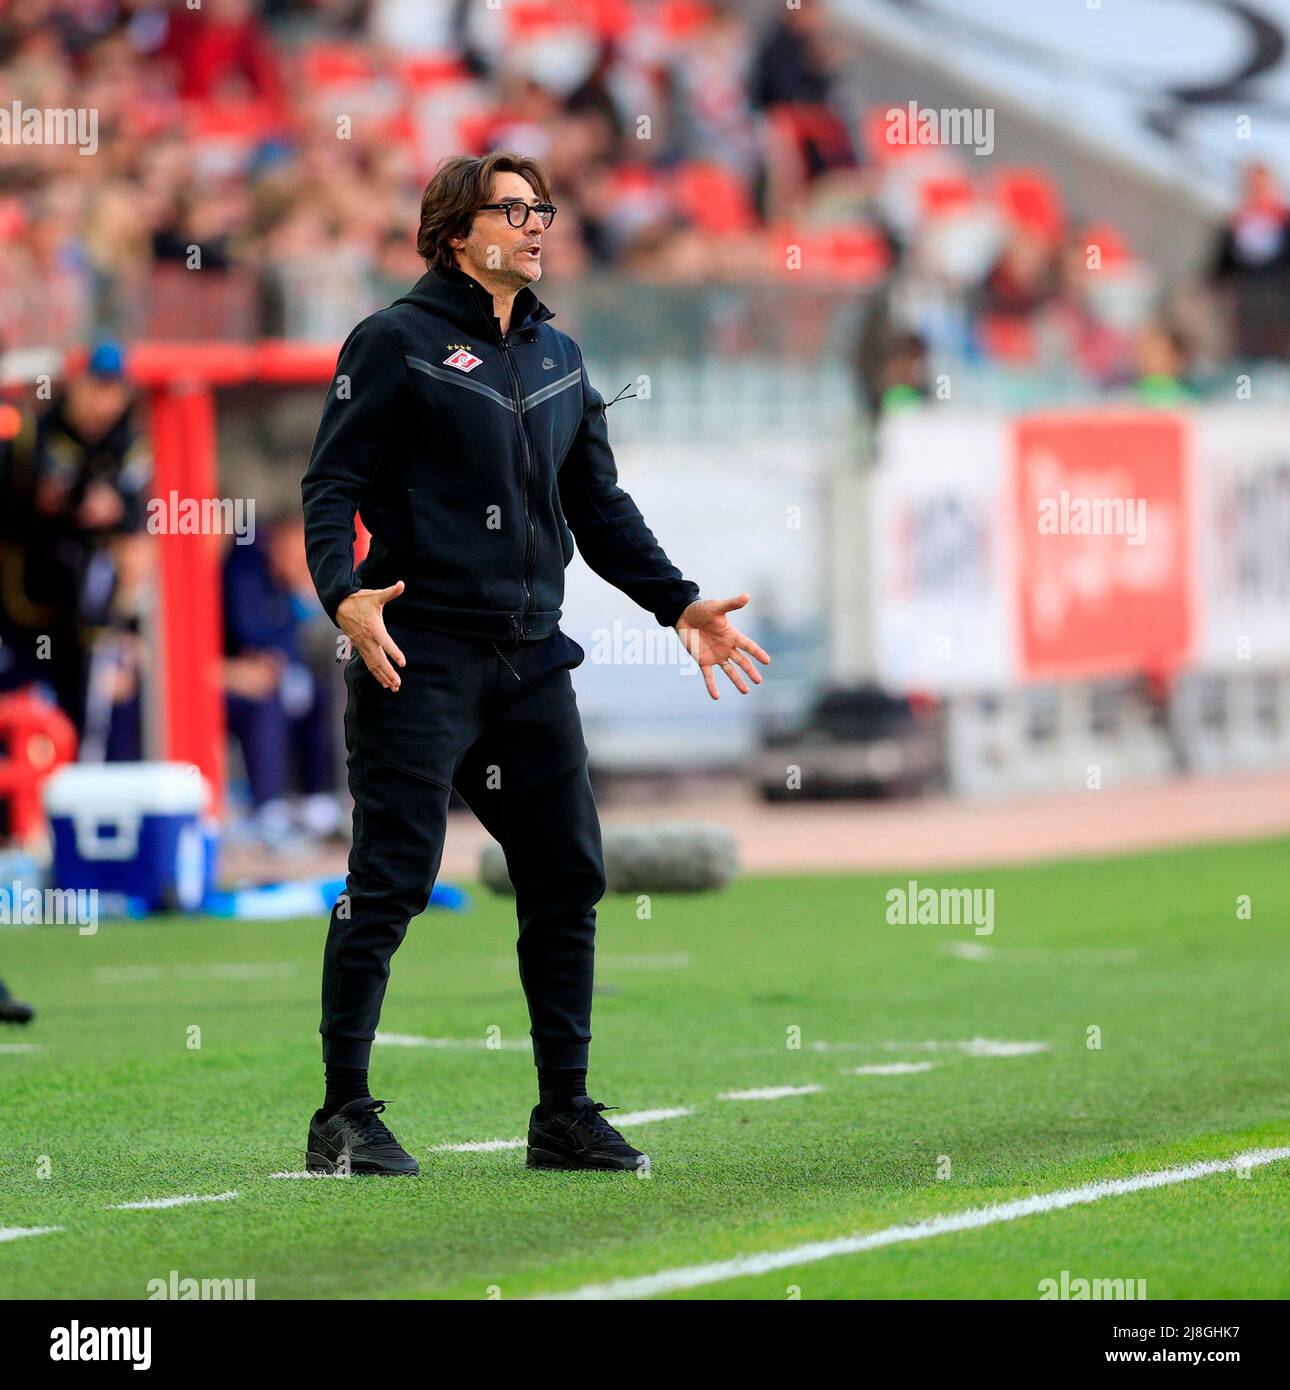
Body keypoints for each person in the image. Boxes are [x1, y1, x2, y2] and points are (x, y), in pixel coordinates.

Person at [301, 151, 769, 1176]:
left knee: (567, 875)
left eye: (541, 207)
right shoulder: (392, 342)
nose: (536, 223)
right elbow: (328, 486)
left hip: (528, 663)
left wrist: (680, 602)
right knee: (389, 882)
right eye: (511, 209)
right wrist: (344, 592)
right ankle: (342, 1115)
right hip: (415, 655)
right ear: (455, 232)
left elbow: (597, 508)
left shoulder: (560, 355)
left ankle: (563, 1113)